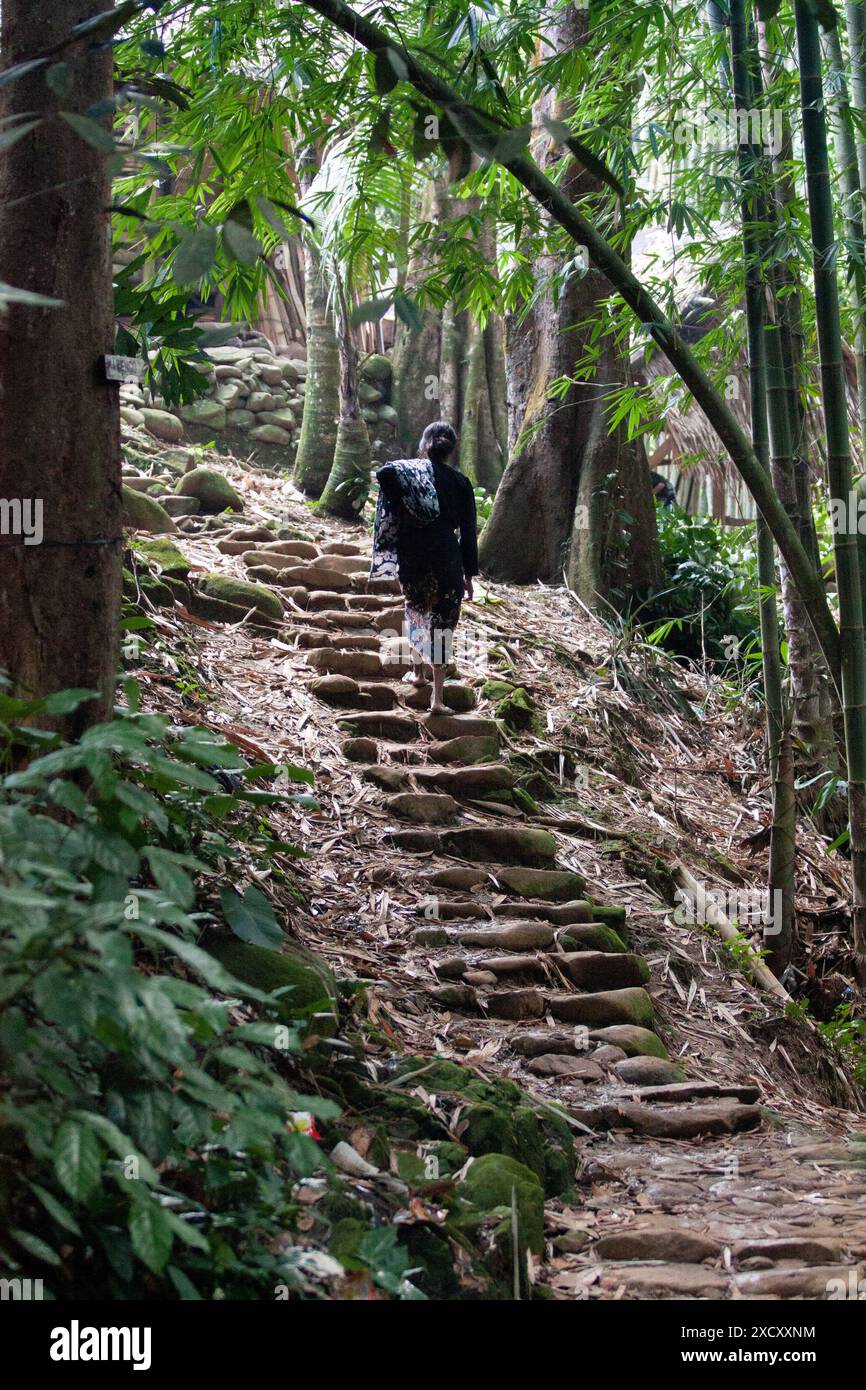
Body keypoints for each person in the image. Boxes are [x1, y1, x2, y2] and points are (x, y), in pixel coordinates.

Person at [370, 421, 478, 714]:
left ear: (424, 443)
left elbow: (383, 476)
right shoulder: (461, 482)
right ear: (452, 448)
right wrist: (469, 575)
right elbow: (469, 532)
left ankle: (418, 674)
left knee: (416, 610)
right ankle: (438, 699)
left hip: (414, 552)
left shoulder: (408, 474)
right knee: (443, 623)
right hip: (447, 555)